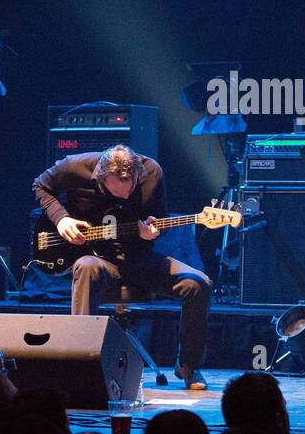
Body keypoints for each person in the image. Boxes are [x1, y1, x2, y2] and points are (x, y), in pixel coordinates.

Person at [32, 144, 212, 388]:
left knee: (198, 284)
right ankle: (81, 364)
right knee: (86, 267)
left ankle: (189, 367)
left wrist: (153, 231)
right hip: (98, 258)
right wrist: (61, 219)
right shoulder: (75, 166)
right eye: (117, 193)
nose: (125, 198)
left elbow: (158, 217)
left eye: (130, 191)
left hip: (138, 258)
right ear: (101, 178)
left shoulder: (152, 172)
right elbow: (40, 185)